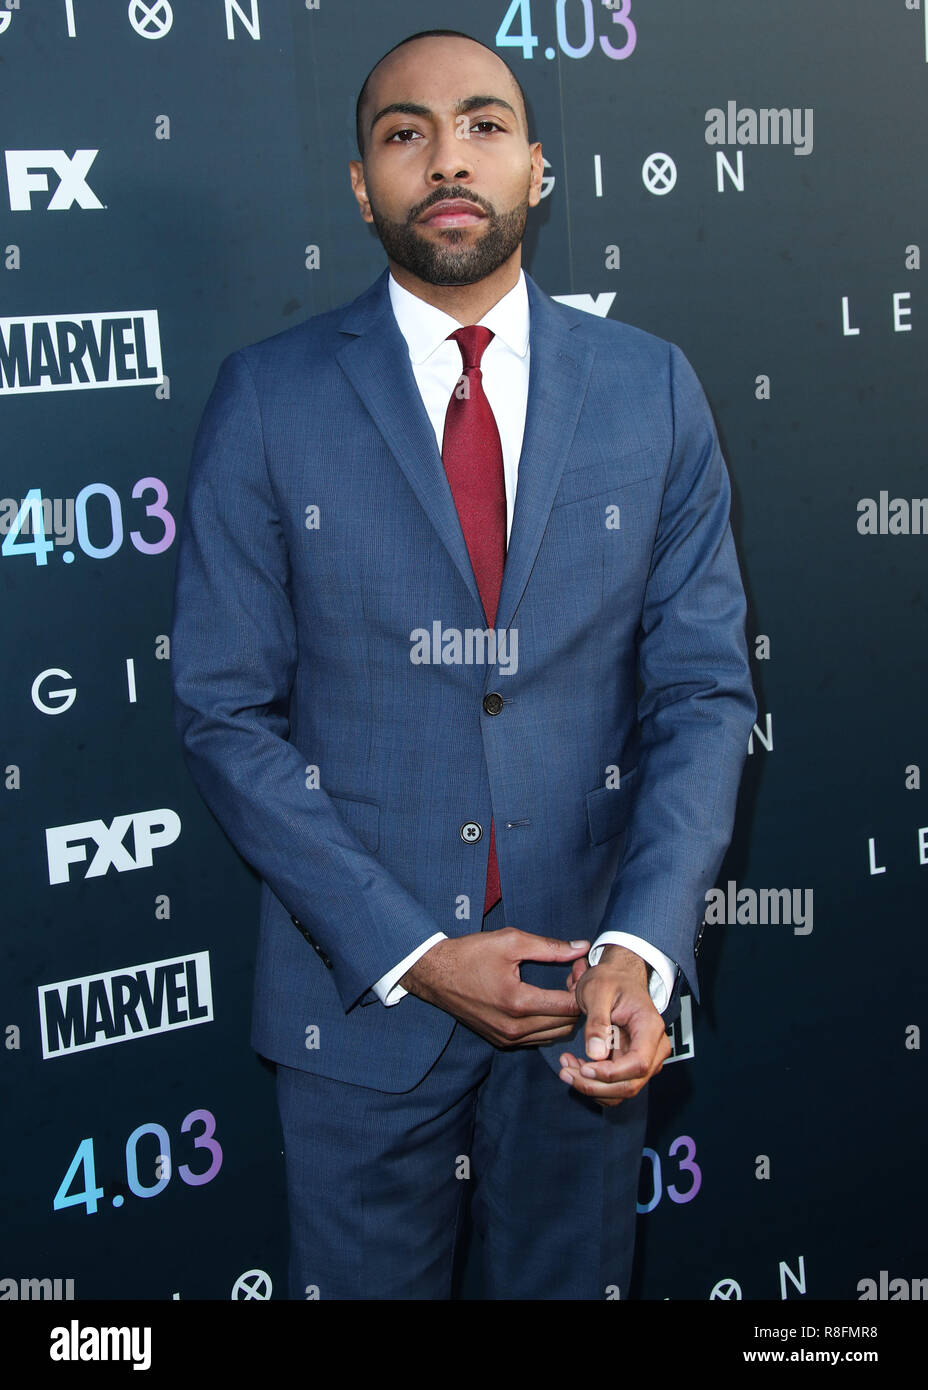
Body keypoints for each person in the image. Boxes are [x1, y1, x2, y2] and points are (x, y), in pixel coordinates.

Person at [172, 28, 756, 1300]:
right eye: (405, 133)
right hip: (360, 1008)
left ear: (536, 166)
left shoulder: (651, 390)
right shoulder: (267, 400)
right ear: (360, 183)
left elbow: (704, 695)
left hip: (586, 1007)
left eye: (486, 126)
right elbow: (225, 713)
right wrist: (416, 954)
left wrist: (640, 949)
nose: (448, 159)